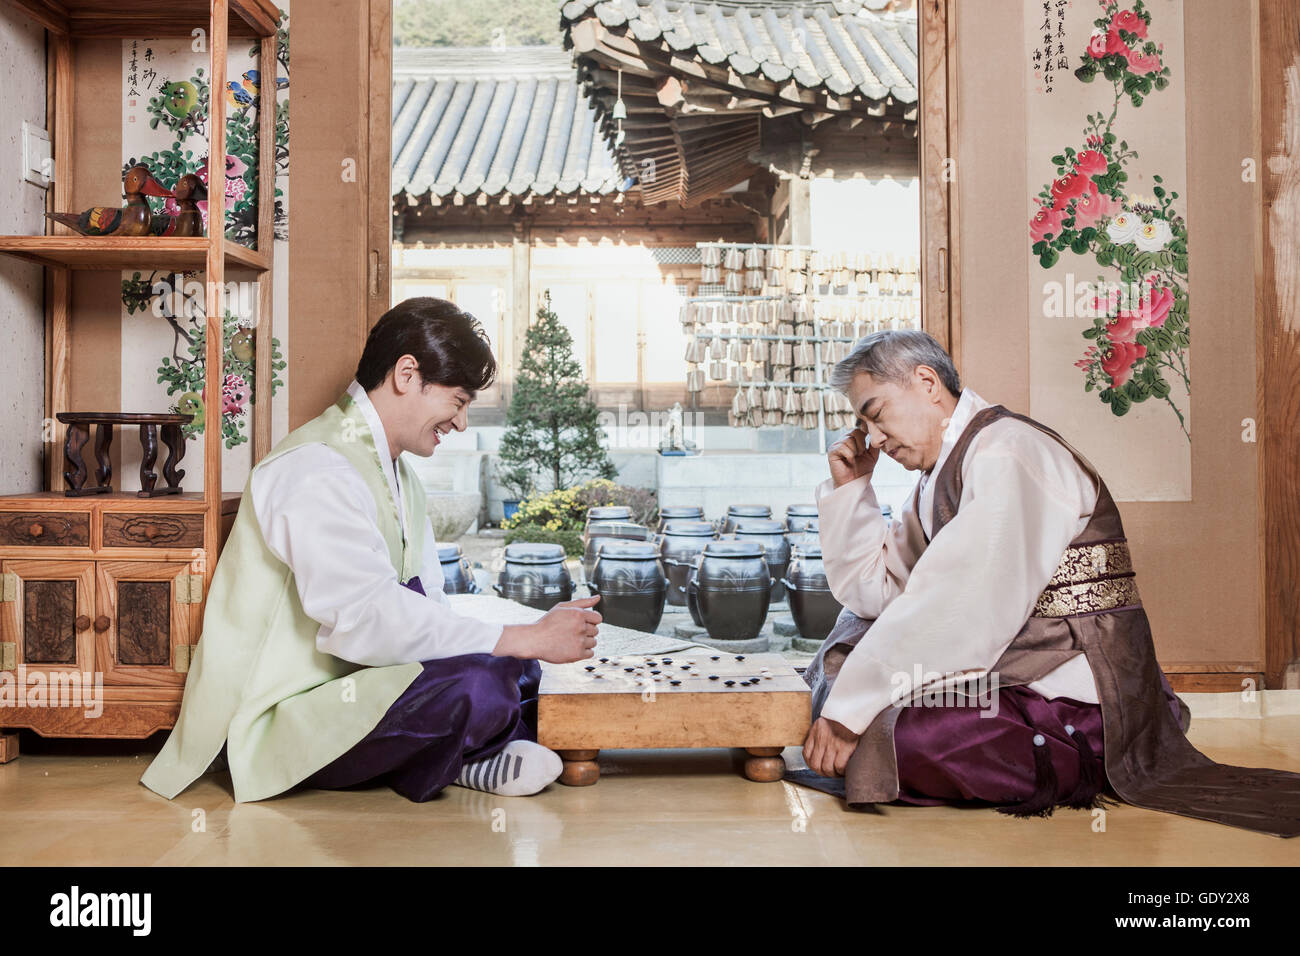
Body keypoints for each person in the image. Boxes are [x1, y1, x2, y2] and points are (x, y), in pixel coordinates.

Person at [795, 329, 1300, 836]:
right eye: (864, 424)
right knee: (849, 644)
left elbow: (960, 607)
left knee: (904, 738)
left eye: (875, 414)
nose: (874, 439)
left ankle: (1088, 751)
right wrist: (852, 489)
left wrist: (848, 715)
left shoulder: (1009, 452)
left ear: (926, 382)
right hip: (1014, 660)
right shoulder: (937, 476)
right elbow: (874, 594)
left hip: (1074, 681)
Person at [141, 298, 601, 804]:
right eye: (459, 400)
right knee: (481, 684)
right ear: (407, 374)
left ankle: (466, 751)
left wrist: (523, 645)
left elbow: (427, 605)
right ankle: (467, 755)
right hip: (289, 713)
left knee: (517, 667)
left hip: (370, 681)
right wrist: (521, 636)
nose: (462, 422)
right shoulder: (316, 466)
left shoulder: (397, 471)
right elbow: (363, 619)